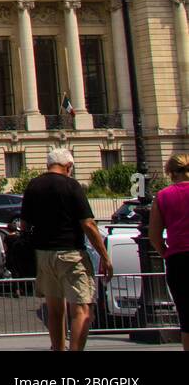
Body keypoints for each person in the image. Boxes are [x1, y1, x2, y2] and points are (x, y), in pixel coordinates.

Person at [21, 148, 113, 352]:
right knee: (81, 310)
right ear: (68, 166)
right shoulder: (71, 186)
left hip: (44, 255)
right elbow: (88, 225)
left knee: (54, 311)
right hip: (71, 253)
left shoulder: (33, 186)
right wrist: (105, 257)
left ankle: (58, 348)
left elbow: (24, 226)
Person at [150, 153, 189, 350]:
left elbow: (154, 235)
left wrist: (166, 252)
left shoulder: (163, 195)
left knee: (186, 318)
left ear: (171, 173)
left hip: (179, 260)